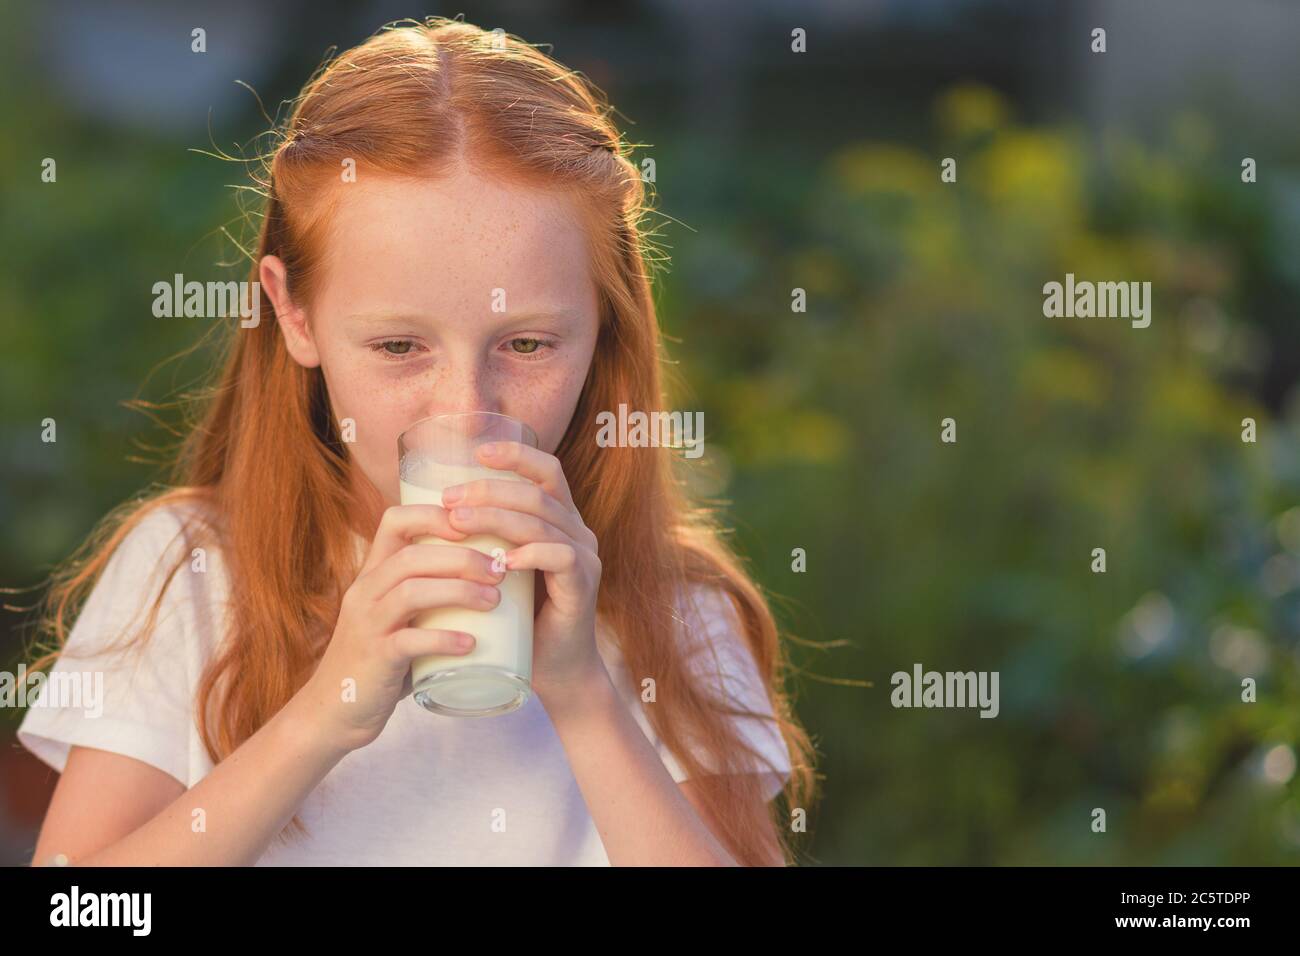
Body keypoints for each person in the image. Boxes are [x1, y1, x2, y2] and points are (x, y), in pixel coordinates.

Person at [16, 16, 815, 866]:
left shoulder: (675, 611)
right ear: (293, 314)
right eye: (400, 347)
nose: (467, 412)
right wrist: (324, 716)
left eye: (529, 345)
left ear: (606, 325)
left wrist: (584, 697)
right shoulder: (197, 574)